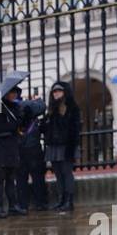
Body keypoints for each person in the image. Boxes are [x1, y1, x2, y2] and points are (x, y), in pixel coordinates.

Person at [38, 81, 81, 213]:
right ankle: (61, 199)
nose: (56, 93)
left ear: (64, 92)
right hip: (53, 146)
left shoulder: (71, 107)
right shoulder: (51, 109)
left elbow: (74, 129)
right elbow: (45, 129)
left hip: (66, 145)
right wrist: (44, 122)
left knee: (66, 173)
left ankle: (69, 201)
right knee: (58, 174)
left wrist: (71, 147)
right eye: (54, 91)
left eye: (59, 91)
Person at [0, 87, 25, 218]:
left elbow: (20, 125)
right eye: (11, 92)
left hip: (11, 147)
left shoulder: (15, 107)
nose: (14, 95)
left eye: (15, 92)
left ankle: (13, 206)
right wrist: (14, 125)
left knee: (10, 178)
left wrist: (19, 122)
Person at [17, 95, 49, 211]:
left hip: (19, 148)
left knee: (21, 179)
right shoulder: (31, 107)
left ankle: (23, 204)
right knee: (38, 177)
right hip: (34, 147)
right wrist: (38, 99)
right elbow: (42, 107)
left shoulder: (11, 108)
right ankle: (40, 202)